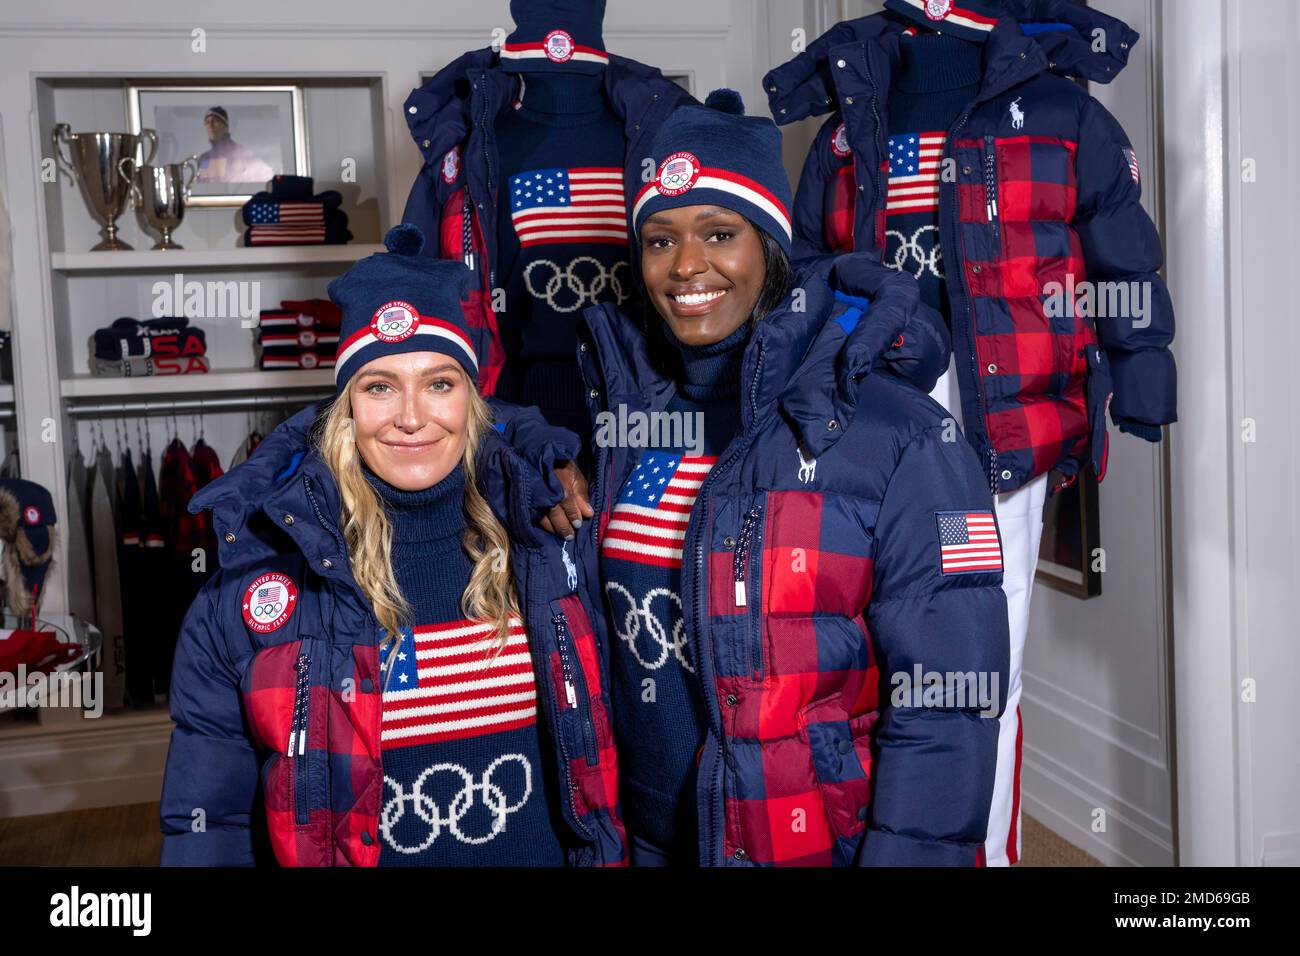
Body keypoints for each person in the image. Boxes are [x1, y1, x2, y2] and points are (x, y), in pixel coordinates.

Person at [543, 89, 1010, 865]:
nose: (686, 266)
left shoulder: (904, 437)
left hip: (797, 839)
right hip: (640, 837)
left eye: (719, 233)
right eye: (658, 241)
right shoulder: (623, 420)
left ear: (770, 246)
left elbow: (948, 708)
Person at [762, 0, 1177, 865]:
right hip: (867, 420)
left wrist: (1142, 376)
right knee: (870, 653)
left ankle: (981, 852)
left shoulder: (1063, 116)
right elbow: (807, 263)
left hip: (1002, 425)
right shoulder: (851, 116)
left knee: (980, 666)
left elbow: (1119, 251)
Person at [158, 225, 625, 867]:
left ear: (472, 398)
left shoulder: (546, 539)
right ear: (346, 403)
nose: (411, 416)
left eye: (439, 383)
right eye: (379, 386)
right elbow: (210, 821)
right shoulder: (265, 577)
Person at [399, 0, 694, 449]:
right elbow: (418, 288)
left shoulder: (664, 137)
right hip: (512, 406)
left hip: (656, 398)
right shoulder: (472, 146)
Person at [195, 106, 273, 184]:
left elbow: (266, 176)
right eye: (207, 122)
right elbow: (202, 184)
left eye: (216, 121)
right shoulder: (205, 159)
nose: (210, 126)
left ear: (226, 127)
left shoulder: (241, 153)